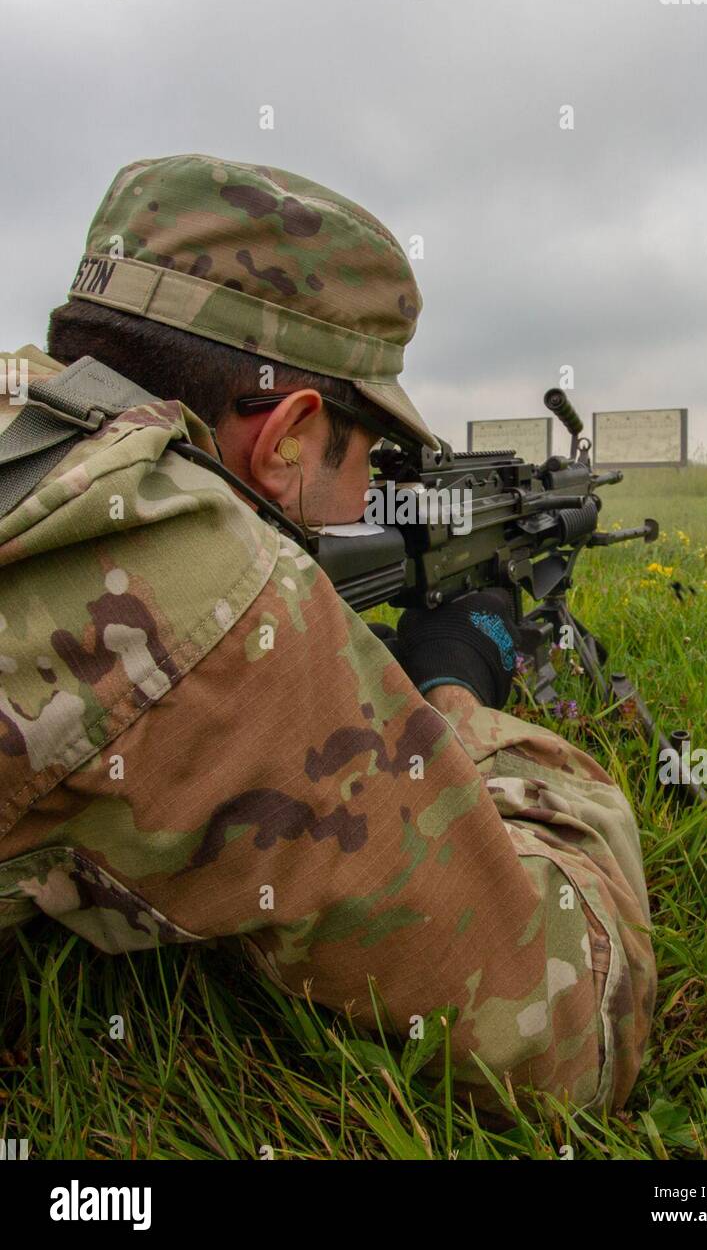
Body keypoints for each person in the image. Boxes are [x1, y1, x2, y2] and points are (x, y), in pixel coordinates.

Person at [0, 153, 655, 1117]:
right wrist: (456, 687)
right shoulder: (196, 589)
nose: (369, 496)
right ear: (292, 435)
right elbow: (573, 1025)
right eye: (374, 451)